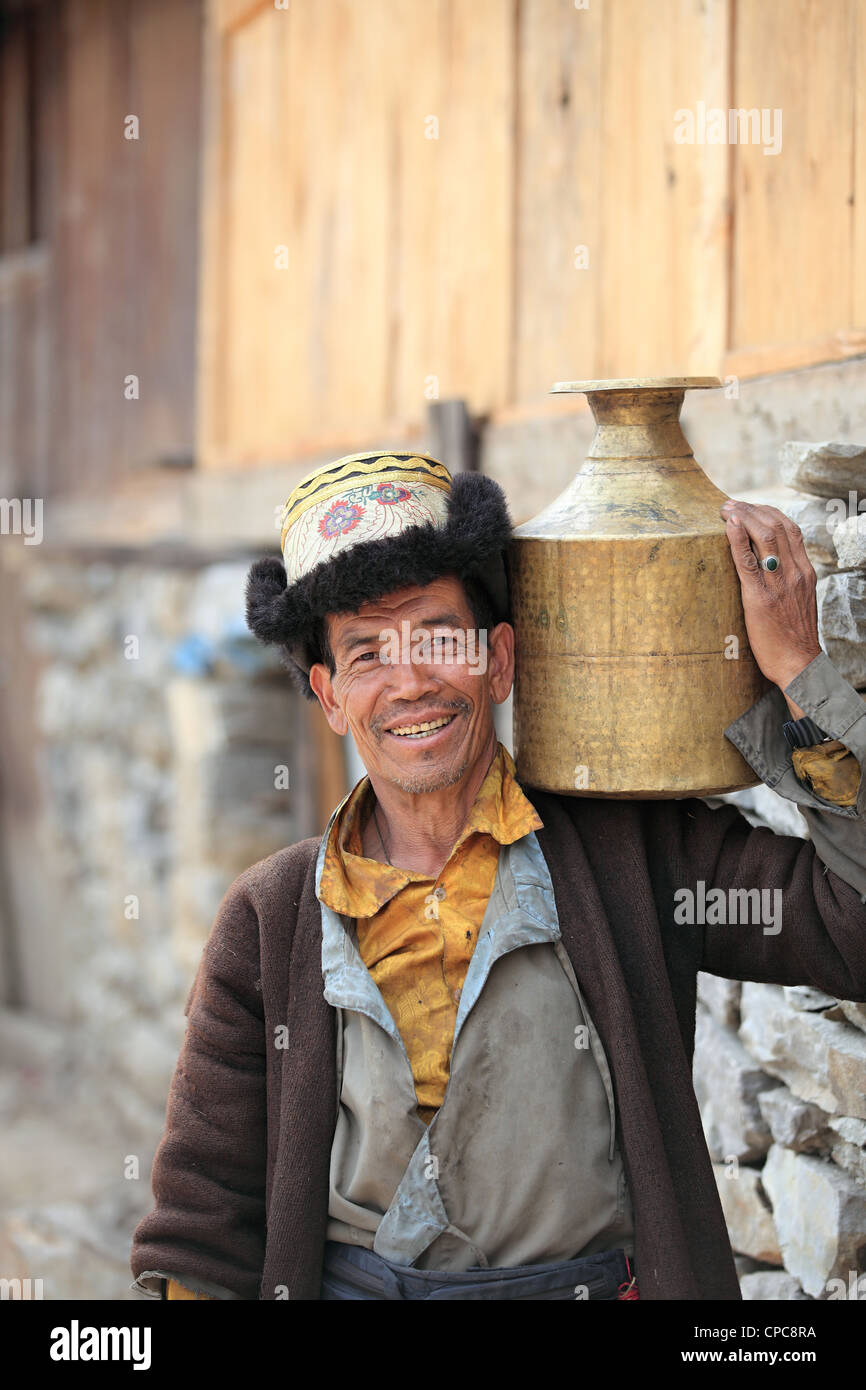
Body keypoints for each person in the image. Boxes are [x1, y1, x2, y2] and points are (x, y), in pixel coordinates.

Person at [130, 451, 866, 1300]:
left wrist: (801, 676)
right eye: (366, 654)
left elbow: (850, 926)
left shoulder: (632, 851)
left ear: (501, 658)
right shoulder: (270, 920)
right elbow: (200, 1226)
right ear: (330, 698)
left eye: (439, 637)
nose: (409, 683)